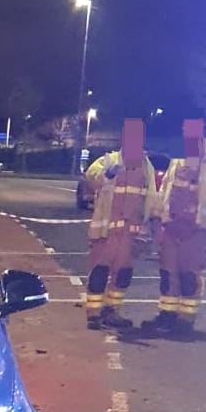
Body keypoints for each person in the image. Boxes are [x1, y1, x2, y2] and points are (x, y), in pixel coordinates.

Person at [144, 118, 206, 339]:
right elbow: (167, 186)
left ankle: (186, 320)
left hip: (196, 227)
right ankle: (167, 315)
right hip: (172, 223)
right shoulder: (183, 154)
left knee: (189, 275)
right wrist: (158, 214)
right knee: (168, 273)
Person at [82, 119, 158, 330]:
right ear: (123, 138)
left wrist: (149, 227)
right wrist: (107, 174)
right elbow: (91, 176)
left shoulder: (146, 166)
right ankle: (94, 315)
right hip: (106, 232)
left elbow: (151, 196)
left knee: (123, 275)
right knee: (99, 272)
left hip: (130, 234)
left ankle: (112, 311)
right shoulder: (109, 160)